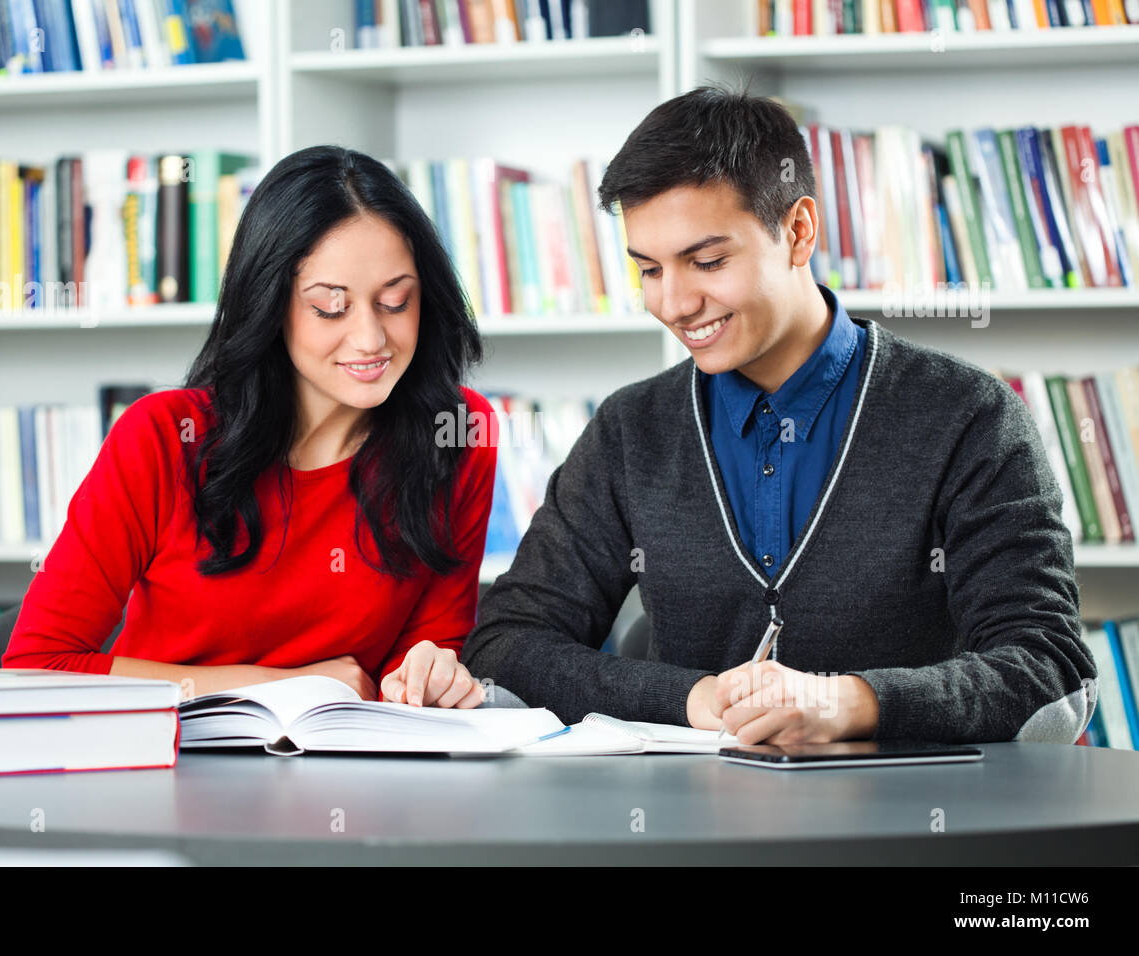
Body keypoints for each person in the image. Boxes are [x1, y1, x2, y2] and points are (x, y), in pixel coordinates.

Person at [461, 84, 1097, 744]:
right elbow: (507, 646)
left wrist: (851, 703)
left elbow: (1050, 671)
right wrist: (691, 697)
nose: (674, 302)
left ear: (798, 232)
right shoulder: (629, 431)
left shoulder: (969, 417)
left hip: (911, 828)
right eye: (648, 270)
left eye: (706, 261)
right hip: (693, 831)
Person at [5, 145, 497, 710]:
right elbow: (37, 666)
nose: (370, 339)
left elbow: (414, 680)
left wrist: (432, 676)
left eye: (395, 301)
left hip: (350, 782)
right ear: (270, 302)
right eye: (331, 307)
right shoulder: (162, 438)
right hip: (161, 773)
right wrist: (286, 687)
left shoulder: (455, 434)